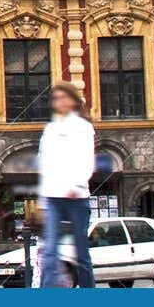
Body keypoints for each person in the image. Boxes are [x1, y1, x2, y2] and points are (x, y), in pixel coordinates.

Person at [37, 82, 95, 288]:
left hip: (76, 198)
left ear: (73, 100)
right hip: (53, 197)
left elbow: (87, 161)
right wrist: (42, 202)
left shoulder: (83, 128)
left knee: (81, 252)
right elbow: (44, 165)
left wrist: (76, 184)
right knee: (50, 250)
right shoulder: (50, 129)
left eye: (63, 97)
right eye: (56, 98)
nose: (59, 102)